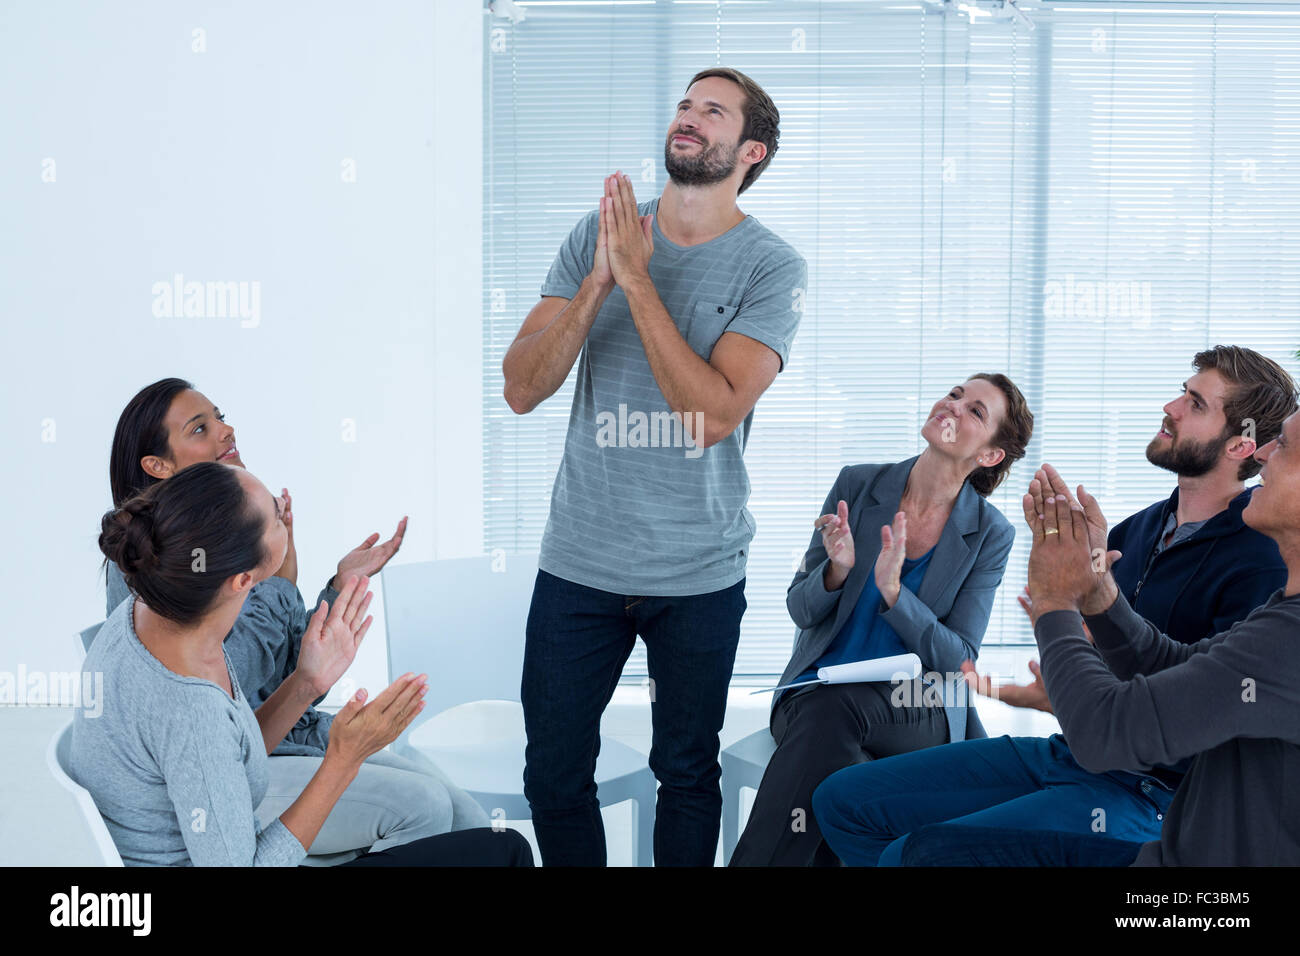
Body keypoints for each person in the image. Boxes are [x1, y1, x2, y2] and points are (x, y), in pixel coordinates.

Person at [814, 346, 1297, 865]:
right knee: (843, 802)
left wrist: (1055, 606)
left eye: (1196, 403)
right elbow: (1175, 666)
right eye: (1183, 390)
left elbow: (1169, 721)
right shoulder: (1135, 531)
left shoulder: (1266, 558)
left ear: (1240, 445)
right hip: (1076, 752)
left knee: (913, 855)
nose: (1172, 406)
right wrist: (1094, 599)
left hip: (1147, 789)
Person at [502, 67, 806, 866]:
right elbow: (521, 389)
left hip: (697, 572)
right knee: (555, 775)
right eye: (685, 104)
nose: (689, 117)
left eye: (714, 111)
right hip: (579, 564)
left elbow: (709, 416)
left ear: (750, 151)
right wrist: (600, 277)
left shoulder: (772, 267)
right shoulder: (597, 233)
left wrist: (636, 279)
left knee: (685, 773)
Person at [102, 378, 488, 861]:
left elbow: (249, 703)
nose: (226, 430)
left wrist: (318, 639)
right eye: (200, 428)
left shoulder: (211, 551)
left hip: (266, 744)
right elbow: (227, 704)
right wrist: (283, 581)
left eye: (220, 415)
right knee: (428, 808)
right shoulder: (169, 583)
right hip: (238, 771)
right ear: (158, 465)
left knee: (467, 815)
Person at [728, 375, 1031, 866]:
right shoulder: (857, 484)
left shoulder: (989, 533)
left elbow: (959, 660)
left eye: (976, 411)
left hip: (917, 709)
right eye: (955, 394)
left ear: (991, 455)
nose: (953, 406)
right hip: (812, 697)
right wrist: (836, 572)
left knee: (835, 729)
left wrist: (895, 595)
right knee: (840, 763)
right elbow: (800, 609)